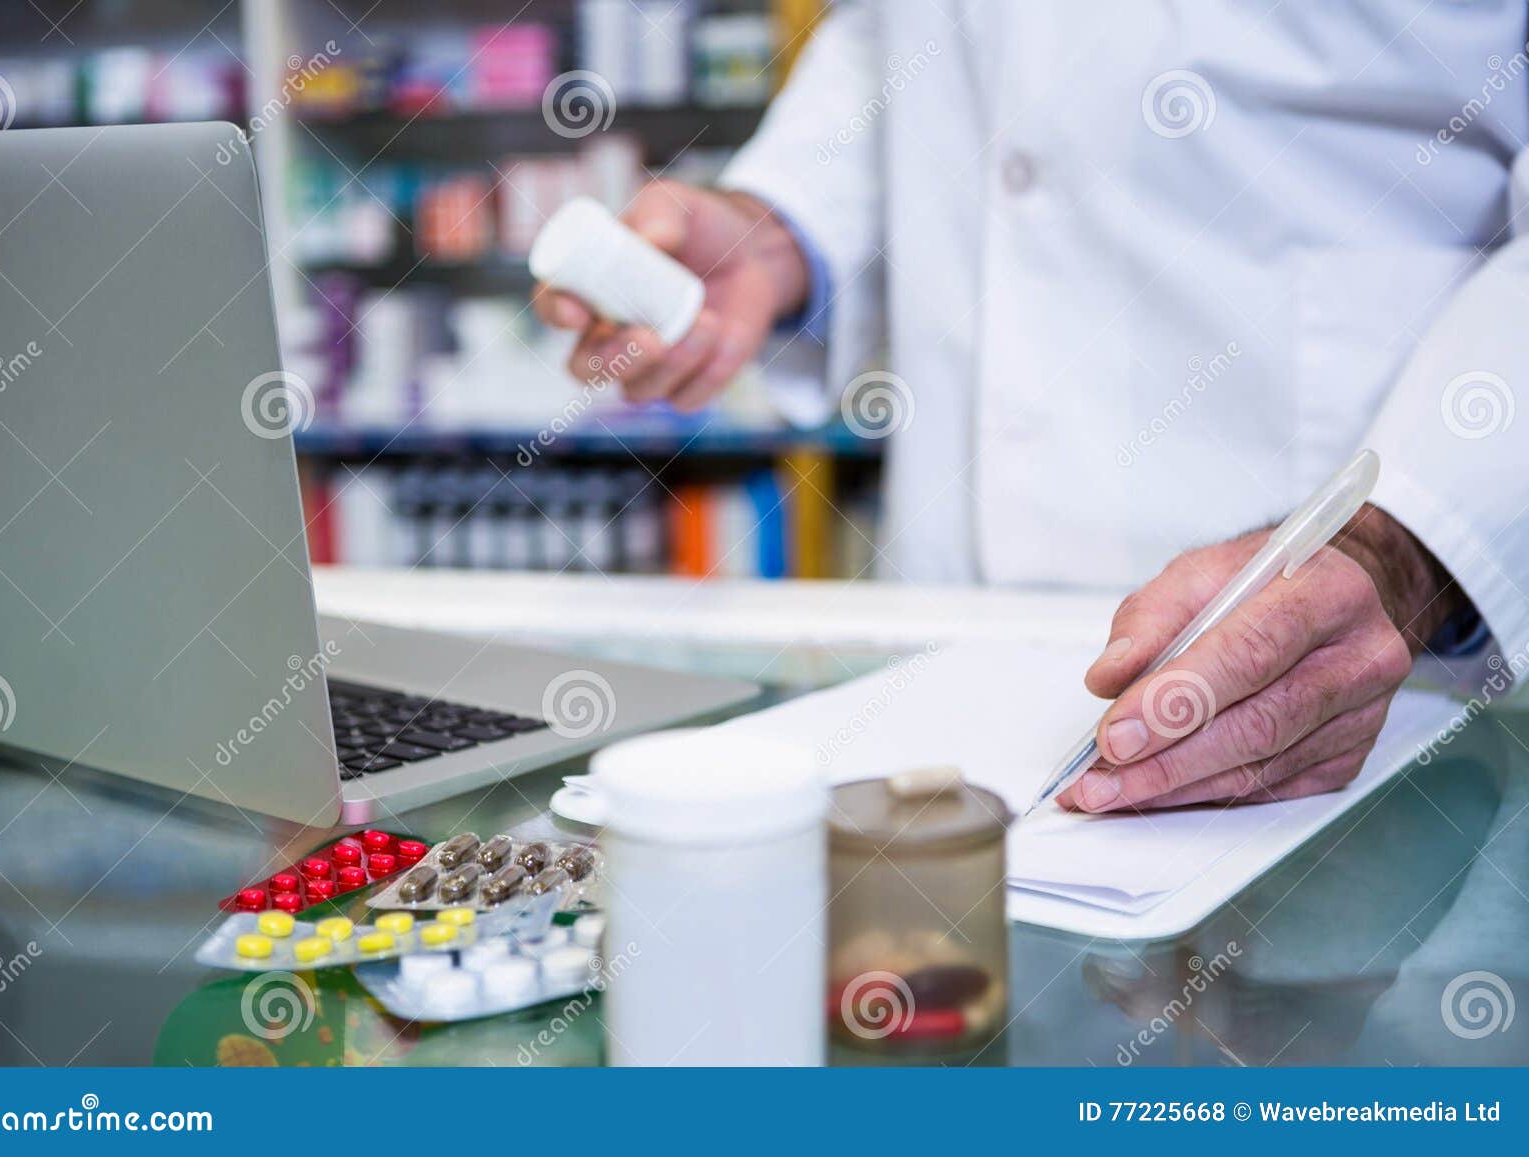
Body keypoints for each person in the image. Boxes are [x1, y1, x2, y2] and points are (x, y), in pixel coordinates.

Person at [534, 3, 1529, 813]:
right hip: (943, 630)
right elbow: (894, 35)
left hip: (1368, 612)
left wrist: (1413, 542)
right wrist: (782, 228)